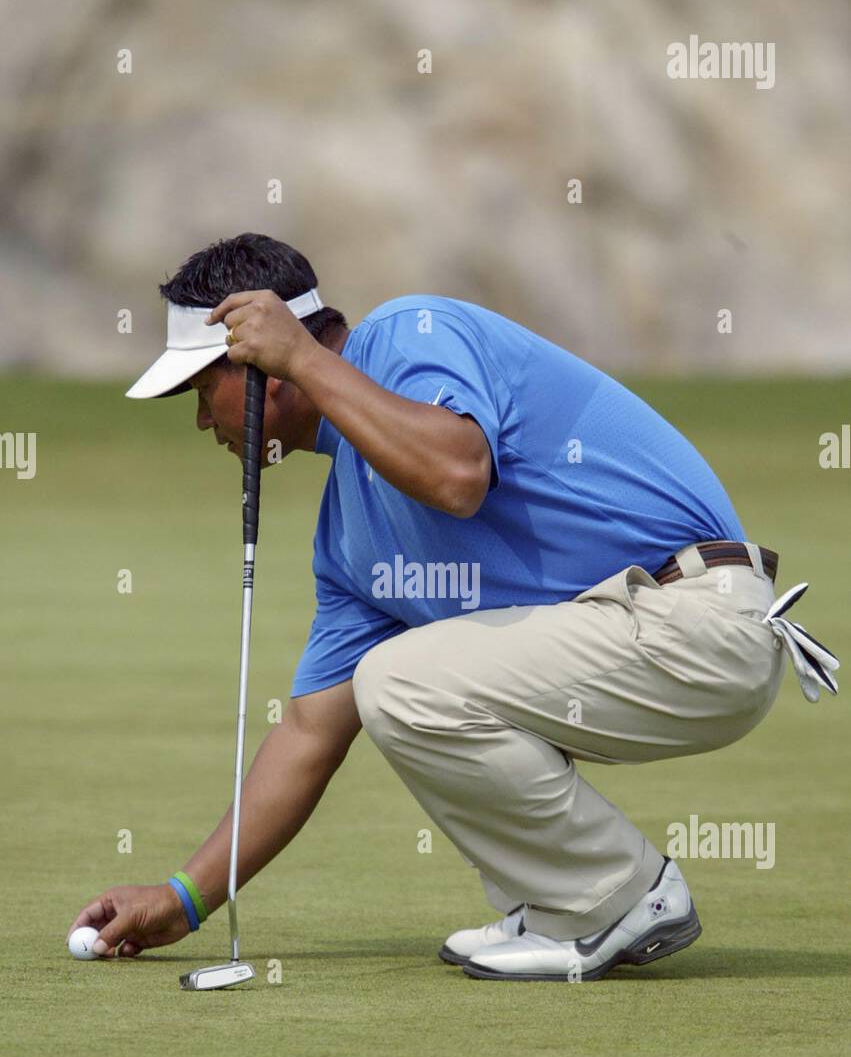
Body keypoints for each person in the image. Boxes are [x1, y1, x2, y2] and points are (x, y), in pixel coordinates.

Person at [67, 233, 837, 981]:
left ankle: (614, 898)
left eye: (204, 389)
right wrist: (186, 897)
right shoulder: (349, 543)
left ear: (263, 350)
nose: (203, 420)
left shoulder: (408, 334)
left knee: (398, 680)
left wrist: (301, 357)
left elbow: (458, 473)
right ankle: (563, 903)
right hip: (647, 642)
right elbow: (309, 733)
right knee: (391, 682)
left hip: (702, 618)